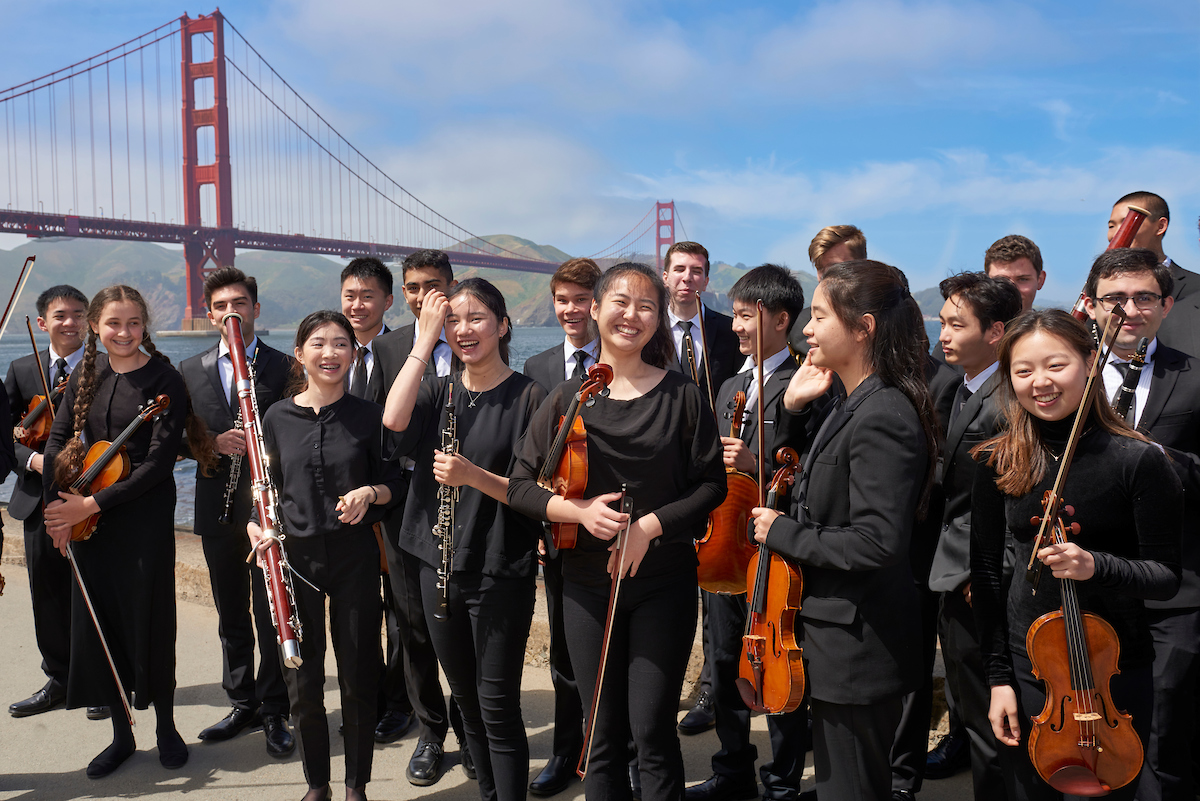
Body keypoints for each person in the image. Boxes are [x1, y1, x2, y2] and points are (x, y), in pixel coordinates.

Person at [509, 262, 727, 801]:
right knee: (600, 734)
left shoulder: (682, 396)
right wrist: (577, 512)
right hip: (585, 586)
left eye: (646, 306)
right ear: (596, 309)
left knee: (653, 731)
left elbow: (710, 486)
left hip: (664, 583)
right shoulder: (567, 398)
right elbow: (520, 487)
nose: (632, 315)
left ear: (658, 319)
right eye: (620, 303)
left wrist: (649, 526)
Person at [970, 310, 1183, 801]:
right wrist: (999, 679)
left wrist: (1096, 566)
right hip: (1031, 668)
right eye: (1023, 372)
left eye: (1055, 366)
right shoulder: (995, 459)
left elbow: (1165, 575)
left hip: (1116, 670)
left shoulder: (1139, 460)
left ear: (1090, 362)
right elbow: (985, 573)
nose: (1039, 383)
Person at [751, 260, 938, 800]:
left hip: (859, 645)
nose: (805, 330)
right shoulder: (849, 401)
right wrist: (790, 409)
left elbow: (877, 541)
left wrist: (783, 533)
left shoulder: (883, 412)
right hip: (835, 637)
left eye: (818, 316)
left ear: (864, 328)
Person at [42, 284, 217, 779]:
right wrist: (63, 507)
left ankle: (165, 726)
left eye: (134, 323)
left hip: (141, 518)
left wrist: (91, 503)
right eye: (114, 324)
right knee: (103, 625)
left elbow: (160, 464)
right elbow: (58, 440)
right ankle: (121, 733)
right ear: (95, 326)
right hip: (90, 520)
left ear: (145, 326)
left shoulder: (165, 378)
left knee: (152, 621)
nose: (124, 332)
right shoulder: (84, 374)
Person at [383, 278, 547, 801]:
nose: (463, 329)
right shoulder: (438, 389)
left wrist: (472, 475)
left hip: (500, 563)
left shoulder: (530, 397)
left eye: (476, 318)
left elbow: (536, 492)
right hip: (437, 563)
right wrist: (421, 343)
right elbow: (391, 420)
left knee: (497, 704)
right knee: (467, 702)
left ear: (502, 325)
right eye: (452, 320)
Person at [247, 310, 401, 801]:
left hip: (355, 555)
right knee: (303, 677)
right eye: (318, 343)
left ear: (354, 354)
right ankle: (318, 783)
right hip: (294, 562)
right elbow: (263, 488)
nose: (330, 353)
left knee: (358, 672)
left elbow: (397, 482)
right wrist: (257, 527)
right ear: (299, 354)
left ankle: (356, 784)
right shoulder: (274, 417)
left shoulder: (368, 416)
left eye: (341, 344)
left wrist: (369, 493)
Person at [686, 264, 807, 801]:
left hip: (776, 548)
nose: (734, 326)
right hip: (725, 546)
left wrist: (757, 462)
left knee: (776, 661)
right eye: (733, 315)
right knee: (723, 659)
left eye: (744, 316)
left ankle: (781, 780)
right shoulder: (733, 384)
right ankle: (732, 769)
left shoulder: (806, 383)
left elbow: (809, 469)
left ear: (781, 320)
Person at [1084, 248, 1200, 801]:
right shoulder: (1063, 375)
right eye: (1114, 299)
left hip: (1175, 589)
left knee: (1164, 736)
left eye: (1143, 298)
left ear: (1166, 305)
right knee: (1094, 739)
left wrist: (1157, 460)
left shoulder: (1195, 376)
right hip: (1087, 586)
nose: (1128, 310)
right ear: (1091, 305)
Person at [179, 267, 295, 756]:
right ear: (210, 314)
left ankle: (274, 709)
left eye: (240, 304)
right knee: (230, 610)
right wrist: (207, 442)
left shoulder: (285, 365)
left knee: (271, 608)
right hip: (217, 506)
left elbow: (301, 430)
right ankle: (241, 701)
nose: (232, 312)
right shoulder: (189, 370)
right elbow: (176, 441)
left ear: (255, 310)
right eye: (222, 305)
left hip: (268, 508)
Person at [923, 272, 1023, 801]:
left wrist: (985, 574)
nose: (944, 334)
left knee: (991, 719)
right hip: (957, 571)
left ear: (996, 332)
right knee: (971, 705)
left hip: (978, 579)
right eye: (942, 322)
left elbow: (1013, 503)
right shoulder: (964, 388)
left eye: (956, 324)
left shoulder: (1007, 403)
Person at [371, 248, 469, 784]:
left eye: (433, 284)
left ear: (452, 286)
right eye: (411, 287)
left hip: (468, 500)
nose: (421, 295)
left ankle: (471, 729)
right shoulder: (387, 348)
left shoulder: (474, 333)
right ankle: (432, 733)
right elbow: (381, 429)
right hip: (405, 505)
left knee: (463, 623)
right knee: (412, 625)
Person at [521, 256, 603, 797]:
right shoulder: (539, 369)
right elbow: (527, 460)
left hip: (617, 529)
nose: (570, 310)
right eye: (563, 300)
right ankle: (566, 749)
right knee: (567, 655)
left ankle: (618, 751)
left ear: (598, 305)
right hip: (559, 535)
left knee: (618, 650)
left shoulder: (632, 360)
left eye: (581, 300)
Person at [338, 256, 418, 750]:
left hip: (396, 499)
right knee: (354, 612)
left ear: (388, 302)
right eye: (349, 295)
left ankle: (400, 703)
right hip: (347, 506)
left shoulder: (408, 350)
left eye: (368, 296)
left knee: (402, 615)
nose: (357, 304)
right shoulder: (328, 350)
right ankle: (363, 700)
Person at [661, 240, 739, 737]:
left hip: (719, 468)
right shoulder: (646, 329)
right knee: (669, 579)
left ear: (706, 280)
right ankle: (664, 685)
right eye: (679, 270)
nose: (687, 278)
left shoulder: (726, 330)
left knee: (715, 581)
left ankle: (713, 686)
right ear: (665, 276)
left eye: (697, 271)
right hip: (666, 467)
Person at [6, 286, 83, 720]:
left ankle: (101, 682)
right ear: (41, 323)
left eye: (77, 314)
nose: (69, 322)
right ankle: (58, 678)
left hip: (86, 496)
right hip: (36, 498)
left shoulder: (104, 366)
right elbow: (6, 437)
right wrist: (32, 458)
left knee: (92, 590)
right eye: (59, 315)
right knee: (48, 594)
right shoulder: (20, 370)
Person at [1108, 192, 1200, 359]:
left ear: (1160, 226)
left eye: (1128, 223)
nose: (1115, 235)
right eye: (1111, 226)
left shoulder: (1196, 286)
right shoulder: (1101, 291)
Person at [787, 225, 868, 355]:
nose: (825, 276)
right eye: (819, 268)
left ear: (863, 265)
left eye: (834, 267)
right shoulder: (798, 326)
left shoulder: (889, 316)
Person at [984, 235, 1046, 313]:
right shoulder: (971, 324)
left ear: (1040, 280)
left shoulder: (1057, 325)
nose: (1012, 289)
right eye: (1001, 280)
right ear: (985, 283)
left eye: (1022, 279)